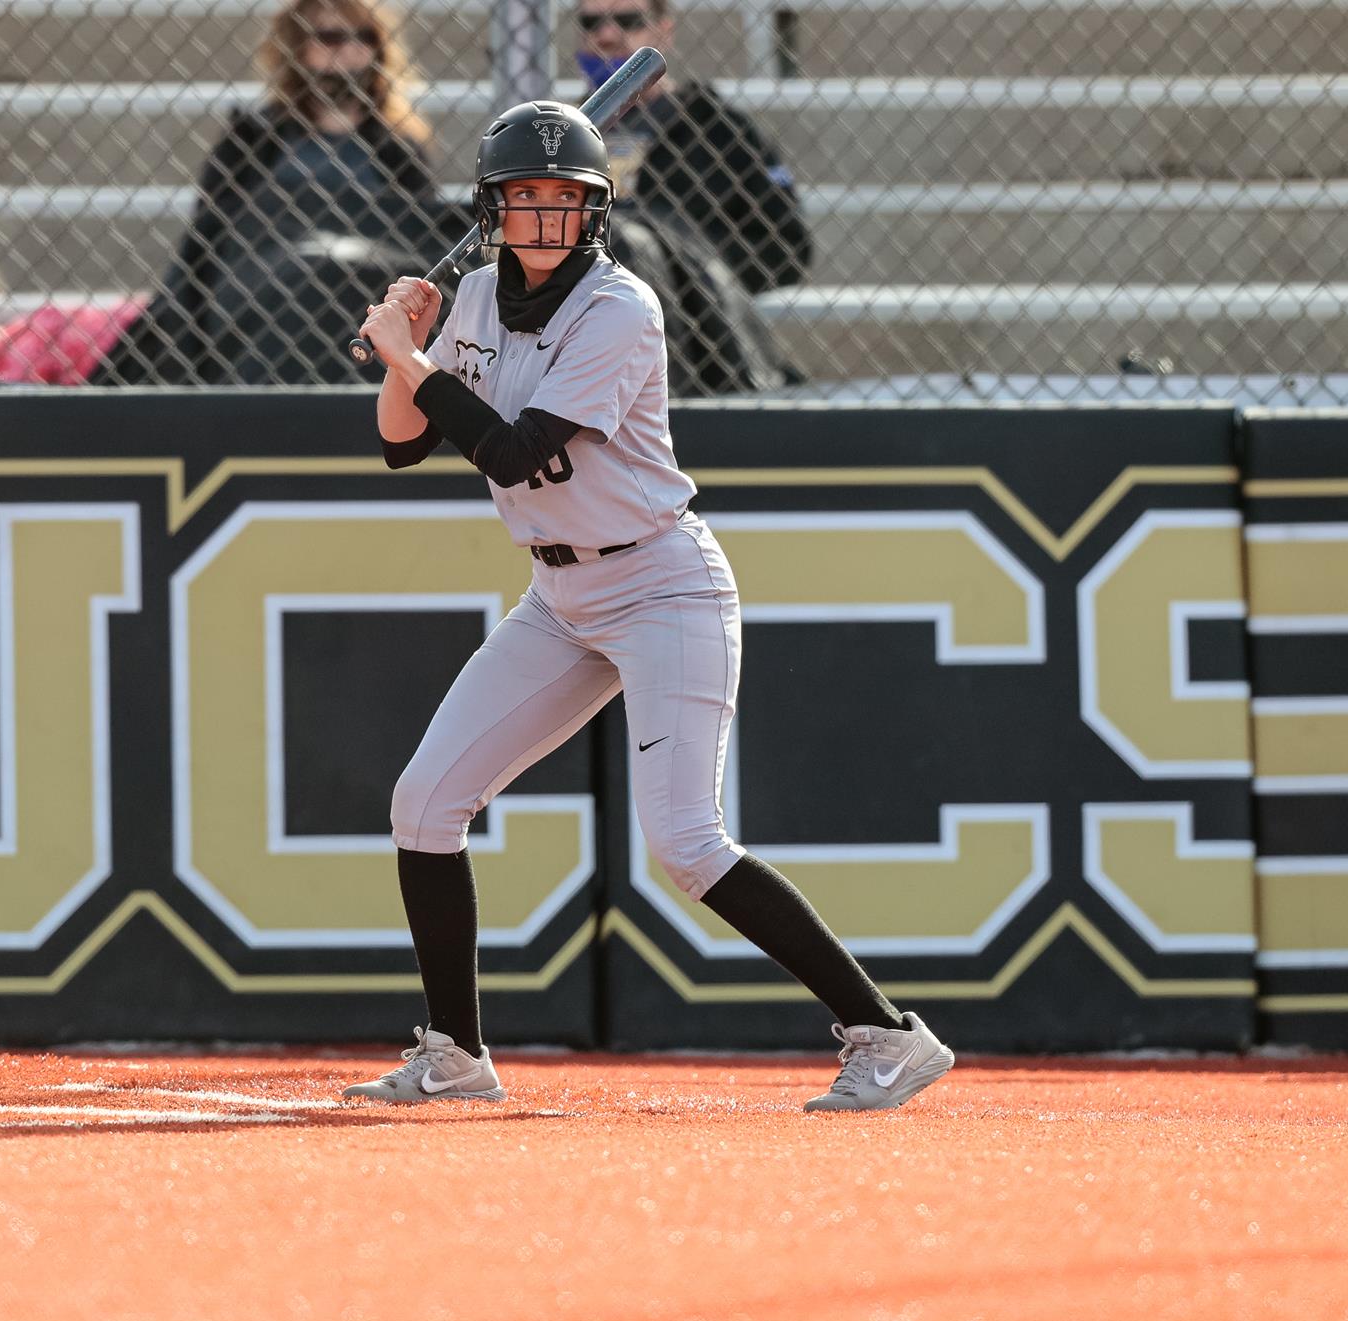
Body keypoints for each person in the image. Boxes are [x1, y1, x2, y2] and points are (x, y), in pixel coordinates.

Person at [347, 101, 953, 1111]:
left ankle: (886, 1036)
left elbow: (515, 450)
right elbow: (402, 442)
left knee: (684, 843)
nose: (544, 215)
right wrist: (410, 345)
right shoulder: (476, 300)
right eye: (526, 196)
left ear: (594, 210)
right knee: (423, 805)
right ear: (492, 208)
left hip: (660, 582)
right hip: (558, 592)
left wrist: (409, 361)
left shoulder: (622, 308)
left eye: (564, 198)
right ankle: (454, 1054)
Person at [91, 0, 445, 385]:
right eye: (330, 36)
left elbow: (417, 242)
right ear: (298, 46)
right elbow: (210, 240)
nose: (350, 50)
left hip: (361, 307)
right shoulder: (254, 139)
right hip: (265, 311)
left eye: (364, 37)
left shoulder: (397, 150)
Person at [575, 0, 811, 296]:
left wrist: (681, 273)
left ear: (664, 32)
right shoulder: (562, 130)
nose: (606, 35)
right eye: (591, 24)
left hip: (678, 318)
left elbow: (788, 246)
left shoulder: (716, 127)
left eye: (628, 20)